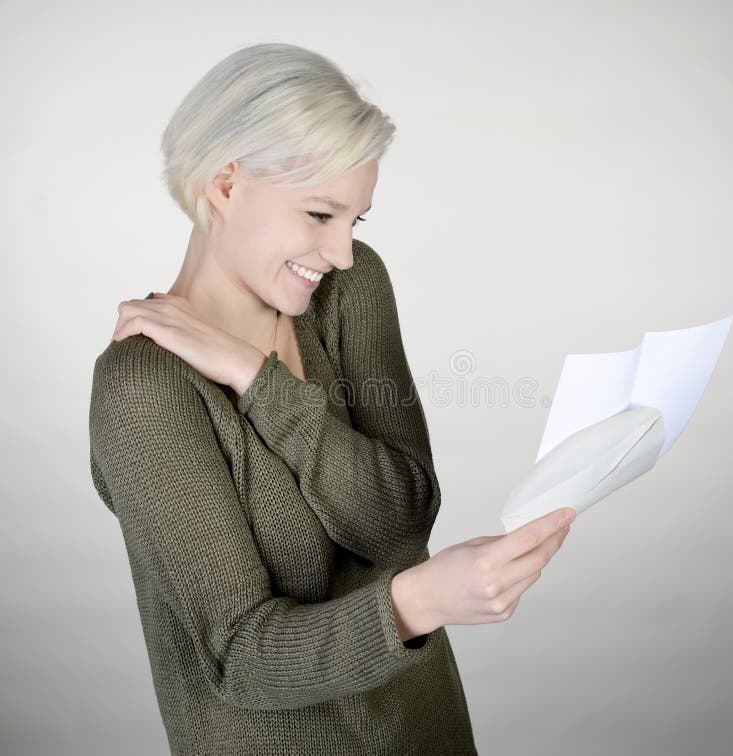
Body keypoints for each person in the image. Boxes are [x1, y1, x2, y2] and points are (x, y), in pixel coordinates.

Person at [88, 42, 575, 755]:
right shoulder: (143, 388)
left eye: (357, 221)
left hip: (429, 731)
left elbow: (402, 522)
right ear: (225, 185)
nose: (342, 251)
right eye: (320, 215)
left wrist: (258, 377)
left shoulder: (347, 291)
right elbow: (239, 656)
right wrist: (422, 601)